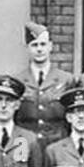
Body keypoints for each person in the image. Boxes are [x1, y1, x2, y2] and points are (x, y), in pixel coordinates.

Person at [15, 22, 77, 150]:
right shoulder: (18, 81)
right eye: (34, 45)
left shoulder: (66, 80)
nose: (39, 49)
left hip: (58, 144)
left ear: (50, 46)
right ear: (27, 48)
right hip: (24, 144)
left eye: (43, 44)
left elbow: (73, 117)